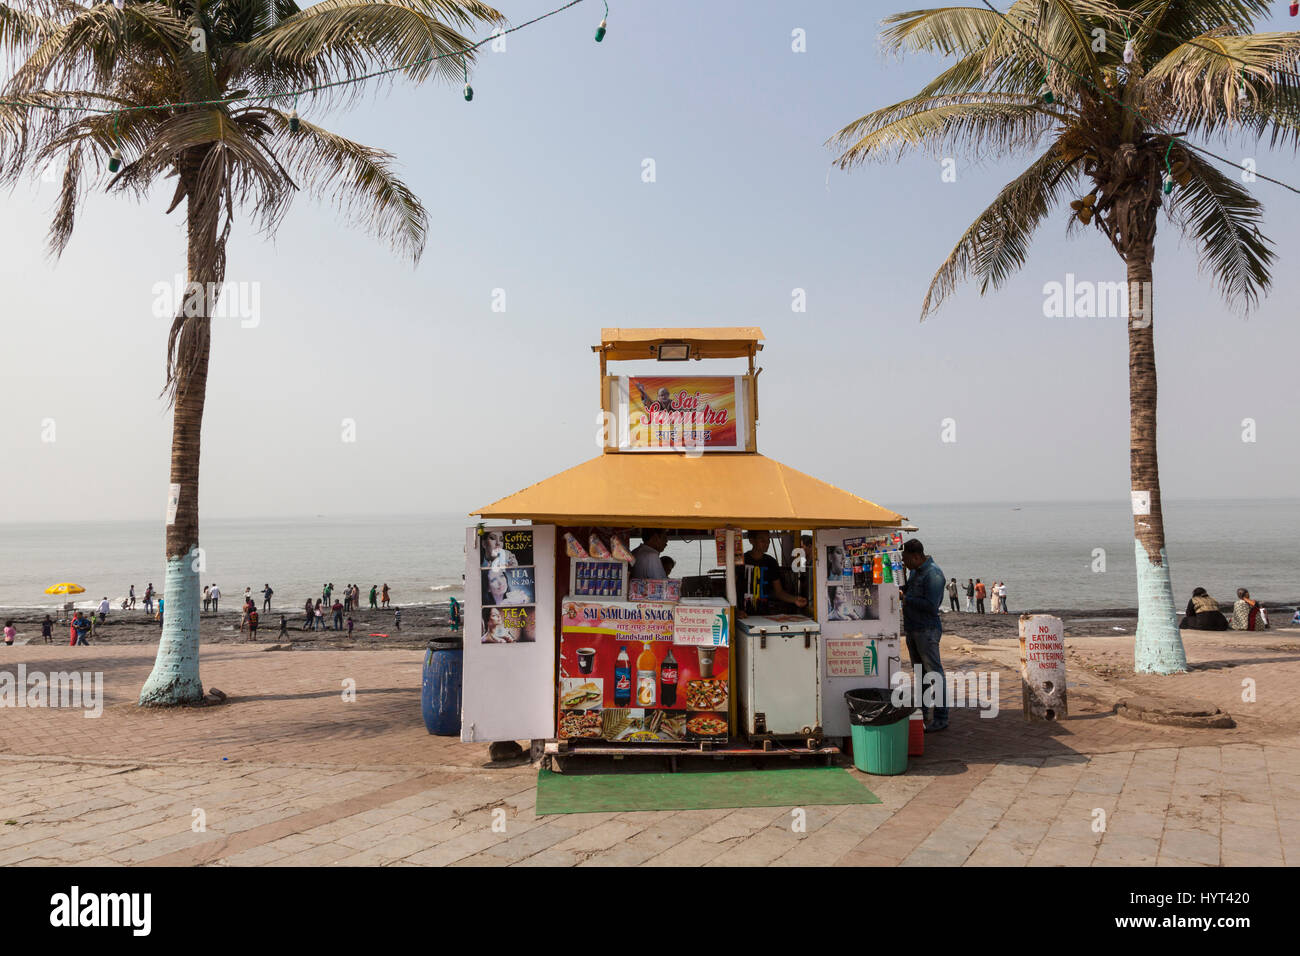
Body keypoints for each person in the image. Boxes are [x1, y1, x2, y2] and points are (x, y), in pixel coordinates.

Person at [901, 538, 947, 731]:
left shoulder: (933, 574)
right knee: (920, 674)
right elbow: (908, 591)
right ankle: (922, 712)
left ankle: (941, 717)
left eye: (906, 559)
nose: (905, 563)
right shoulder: (914, 571)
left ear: (916, 556)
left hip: (926, 630)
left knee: (934, 674)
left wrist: (907, 599)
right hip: (913, 628)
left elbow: (931, 605)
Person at [741, 530, 808, 614]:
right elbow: (734, 588)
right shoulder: (741, 561)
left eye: (768, 540)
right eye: (762, 540)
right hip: (743, 613)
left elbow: (778, 592)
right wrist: (736, 611)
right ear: (751, 540)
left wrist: (795, 600)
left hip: (764, 614)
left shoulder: (771, 562)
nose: (767, 543)